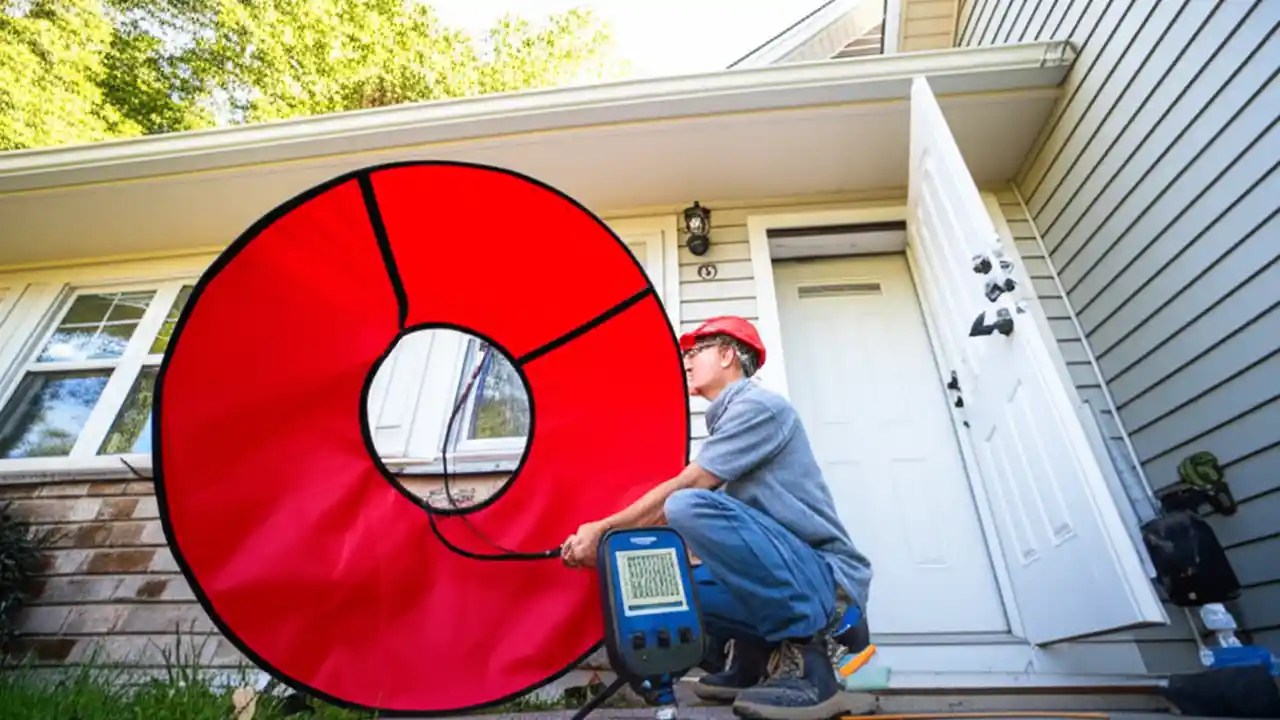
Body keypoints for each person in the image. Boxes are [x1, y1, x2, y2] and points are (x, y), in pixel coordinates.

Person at [560, 315, 874, 720]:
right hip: (795, 569)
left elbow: (687, 489)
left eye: (694, 352)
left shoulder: (760, 408)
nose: (685, 361)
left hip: (829, 583)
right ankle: (755, 658)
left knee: (685, 505)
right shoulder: (729, 425)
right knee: (672, 579)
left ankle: (811, 665)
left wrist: (604, 530)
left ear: (727, 354)